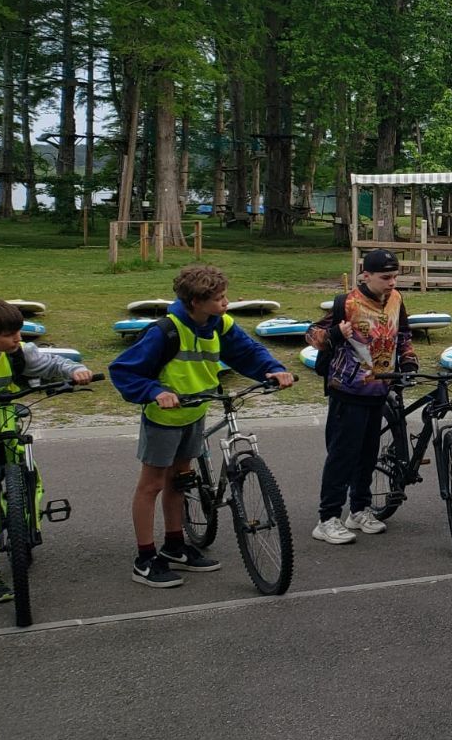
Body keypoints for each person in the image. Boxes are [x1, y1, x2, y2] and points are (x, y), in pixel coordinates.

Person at [112, 265, 293, 587]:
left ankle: (174, 546)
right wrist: (155, 392)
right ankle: (144, 558)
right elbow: (123, 371)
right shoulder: (165, 330)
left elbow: (247, 351)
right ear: (195, 301)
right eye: (219, 298)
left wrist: (273, 369)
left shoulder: (219, 323)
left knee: (180, 481)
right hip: (164, 419)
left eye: (225, 296)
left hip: (195, 413)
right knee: (151, 485)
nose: (226, 303)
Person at [304, 249, 417, 546]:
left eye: (395, 276)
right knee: (343, 455)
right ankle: (327, 518)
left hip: (380, 389)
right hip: (348, 391)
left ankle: (359, 509)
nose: (392, 283)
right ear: (366, 275)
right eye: (385, 277)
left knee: (368, 454)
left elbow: (403, 334)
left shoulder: (396, 299)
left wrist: (408, 361)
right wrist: (336, 336)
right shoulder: (348, 303)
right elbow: (312, 334)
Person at [0, 300, 94, 604]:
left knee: (20, 459)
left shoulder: (17, 354)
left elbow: (52, 363)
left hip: (3, 420)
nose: (18, 339)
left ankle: (24, 499)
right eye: (10, 335)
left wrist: (77, 371)